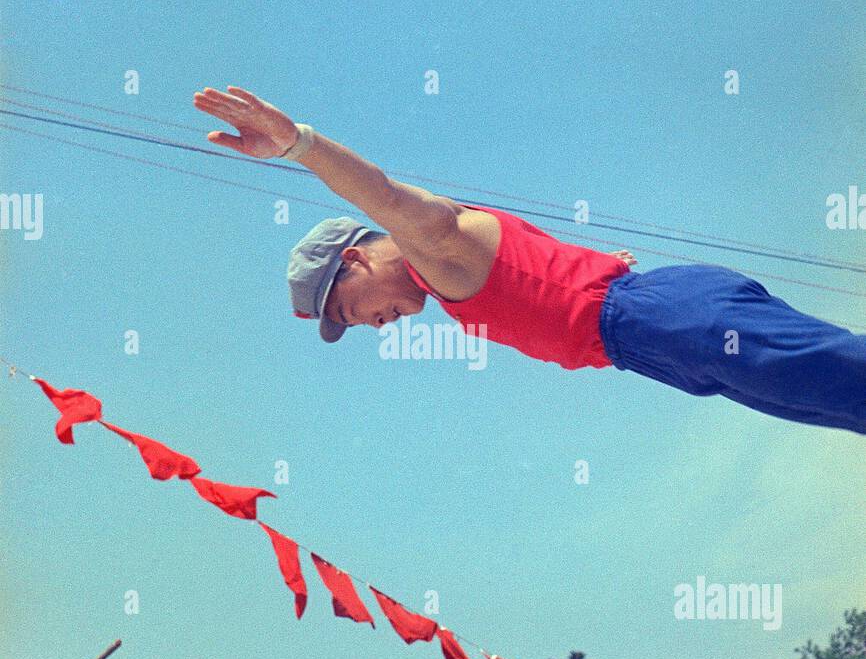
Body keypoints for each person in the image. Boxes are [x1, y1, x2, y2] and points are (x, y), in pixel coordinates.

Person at [193, 87, 866, 438]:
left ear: (354, 265)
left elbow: (385, 195)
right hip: (653, 338)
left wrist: (300, 146)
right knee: (842, 404)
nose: (375, 326)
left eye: (352, 313)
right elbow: (543, 277)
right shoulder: (446, 268)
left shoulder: (434, 243)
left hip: (663, 322)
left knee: (844, 380)